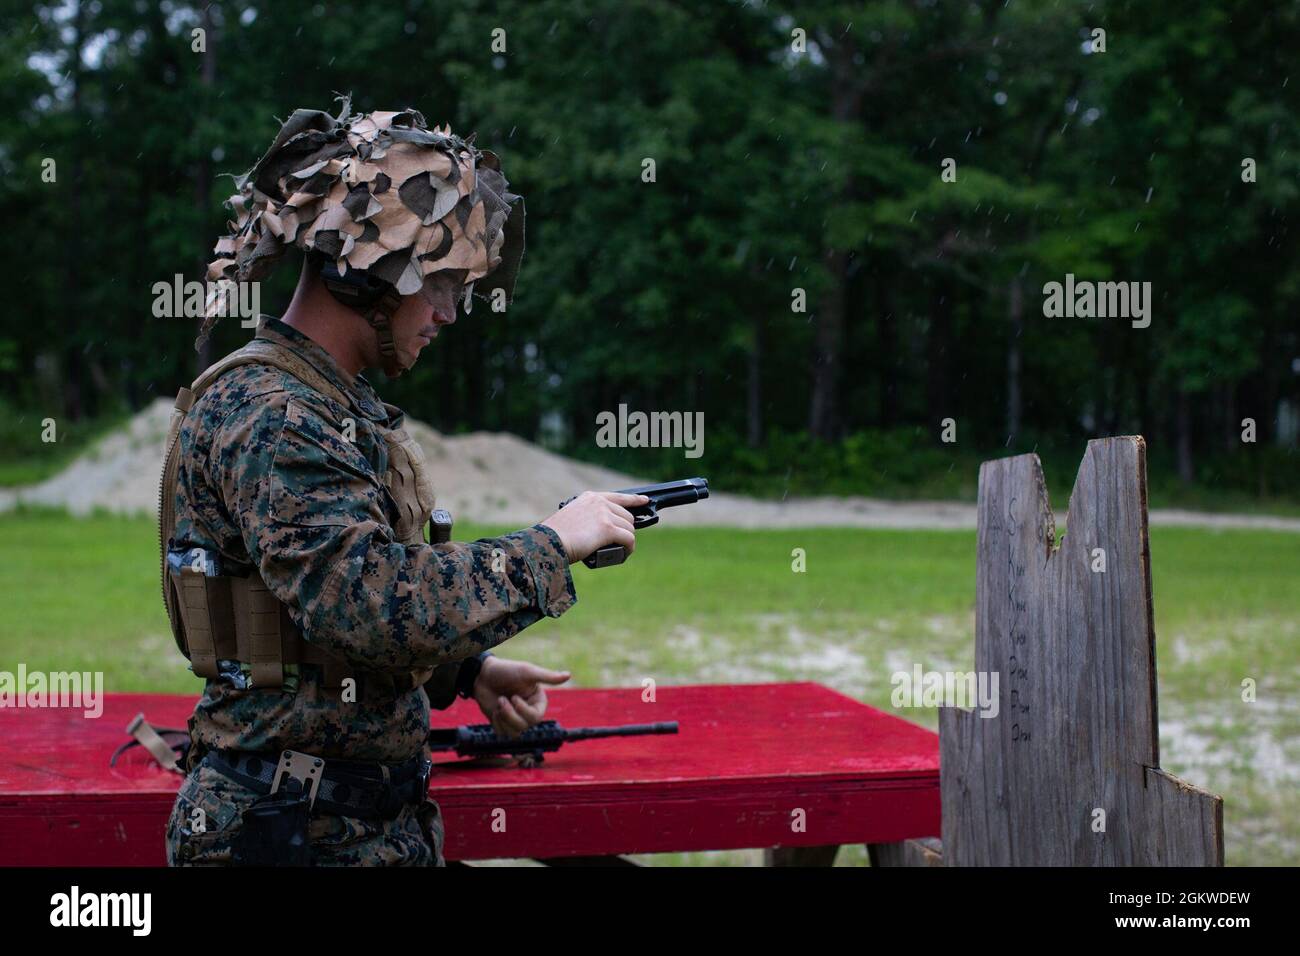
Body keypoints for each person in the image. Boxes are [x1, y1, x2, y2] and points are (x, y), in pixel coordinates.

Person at [159, 98, 645, 866]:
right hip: (289, 834)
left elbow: (309, 617)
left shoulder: (326, 402)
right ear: (373, 272)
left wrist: (465, 670)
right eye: (441, 282)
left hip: (345, 822)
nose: (450, 312)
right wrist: (553, 545)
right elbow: (363, 599)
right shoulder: (276, 415)